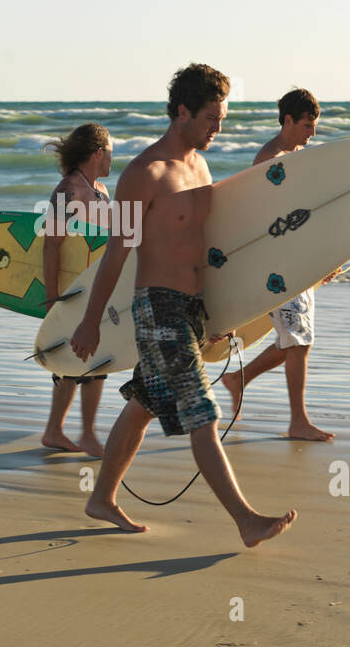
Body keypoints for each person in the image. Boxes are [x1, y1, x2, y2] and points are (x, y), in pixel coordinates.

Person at [70, 63, 296, 547]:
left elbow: (212, 247)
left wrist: (224, 312)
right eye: (212, 117)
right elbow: (117, 253)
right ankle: (247, 520)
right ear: (182, 112)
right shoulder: (141, 175)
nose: (220, 127)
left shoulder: (201, 165)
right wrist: (90, 321)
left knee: (149, 401)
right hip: (157, 309)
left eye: (224, 118)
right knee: (202, 412)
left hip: (193, 307)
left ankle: (102, 498)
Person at [220, 88, 336, 441]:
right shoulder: (269, 161)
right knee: (298, 341)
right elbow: (264, 220)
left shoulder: (297, 155)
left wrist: (322, 260)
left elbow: (304, 215)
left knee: (298, 340)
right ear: (287, 121)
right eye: (306, 125)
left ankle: (238, 379)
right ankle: (297, 422)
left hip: (298, 263)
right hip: (279, 266)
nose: (312, 133)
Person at [41, 123, 113, 456]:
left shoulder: (100, 189)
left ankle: (74, 432)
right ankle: (68, 432)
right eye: (111, 149)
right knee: (72, 359)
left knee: (94, 357)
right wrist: (52, 297)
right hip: (71, 290)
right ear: (98, 153)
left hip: (96, 288)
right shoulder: (68, 190)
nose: (114, 156)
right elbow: (51, 245)